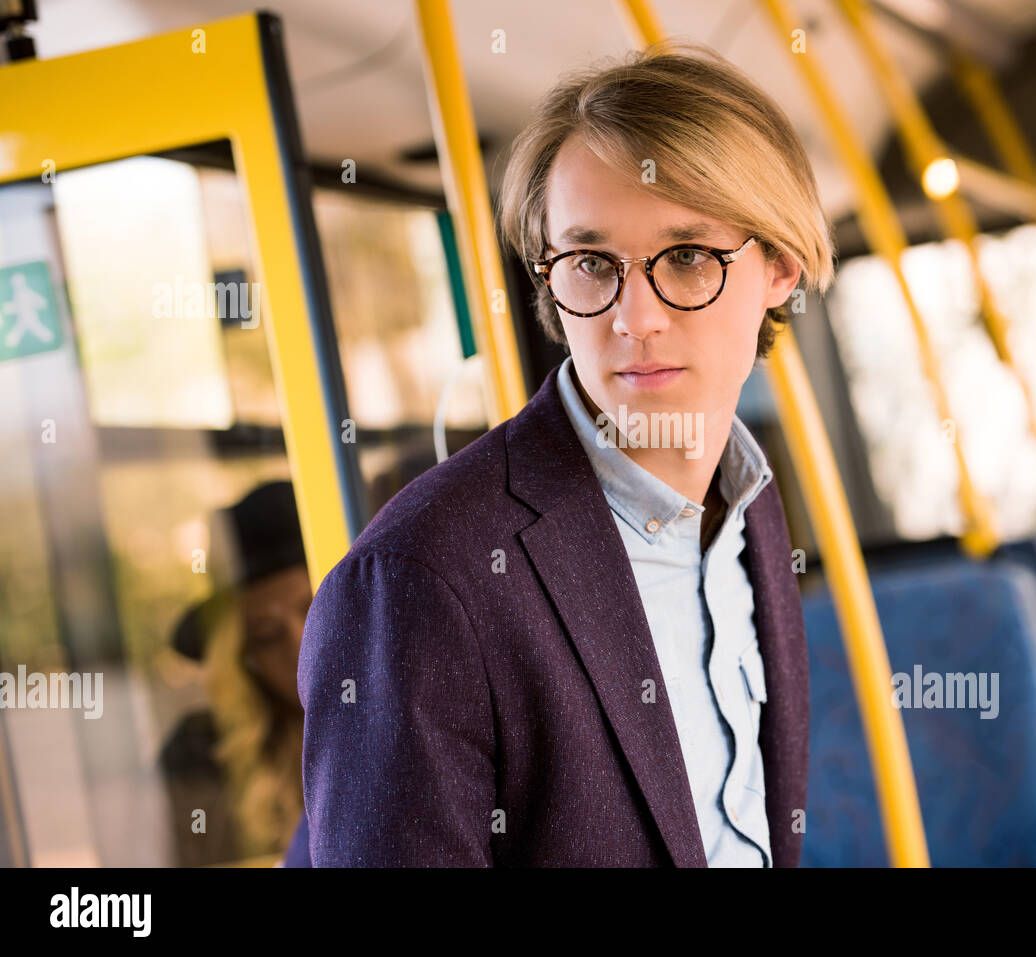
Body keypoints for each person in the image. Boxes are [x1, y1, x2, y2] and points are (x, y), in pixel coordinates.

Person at [298, 38, 834, 867]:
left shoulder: (749, 508)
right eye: (591, 263)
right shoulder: (418, 582)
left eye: (687, 258)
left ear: (780, 269)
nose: (636, 318)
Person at [160, 480, 310, 866]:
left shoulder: (420, 710)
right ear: (242, 658)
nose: (301, 646)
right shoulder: (203, 760)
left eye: (316, 611)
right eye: (266, 634)